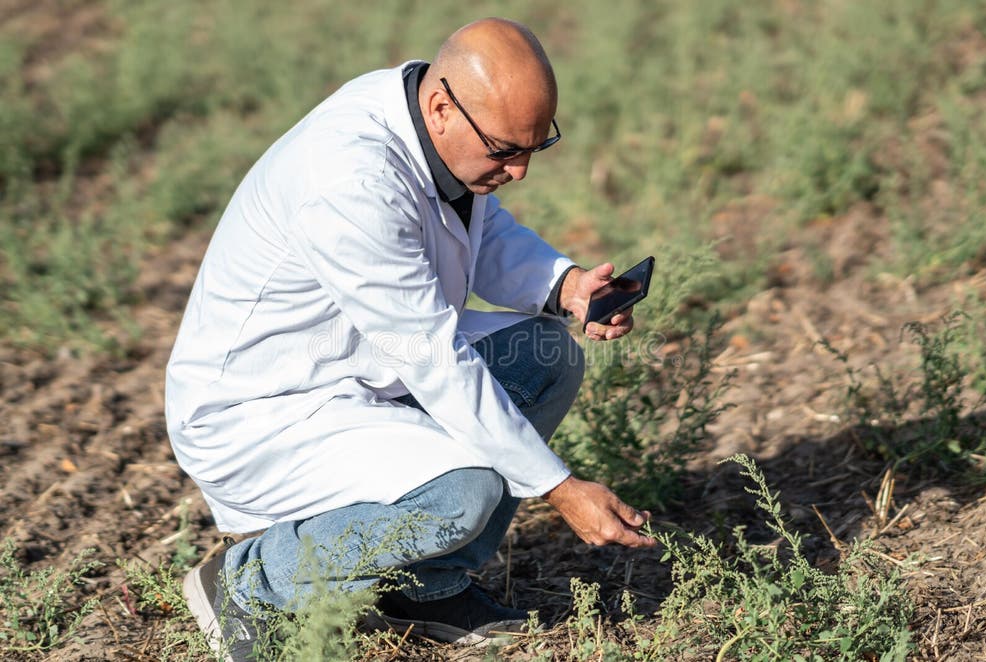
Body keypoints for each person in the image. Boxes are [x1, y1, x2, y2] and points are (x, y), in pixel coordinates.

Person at [166, 16, 655, 659]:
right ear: (441, 107)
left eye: (536, 147)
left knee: (546, 358)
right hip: (263, 409)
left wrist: (565, 286)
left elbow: (481, 234)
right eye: (507, 150)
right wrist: (559, 489)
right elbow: (433, 358)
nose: (521, 171)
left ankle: (426, 585)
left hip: (355, 367)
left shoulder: (427, 121)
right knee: (465, 491)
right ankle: (252, 581)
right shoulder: (350, 181)